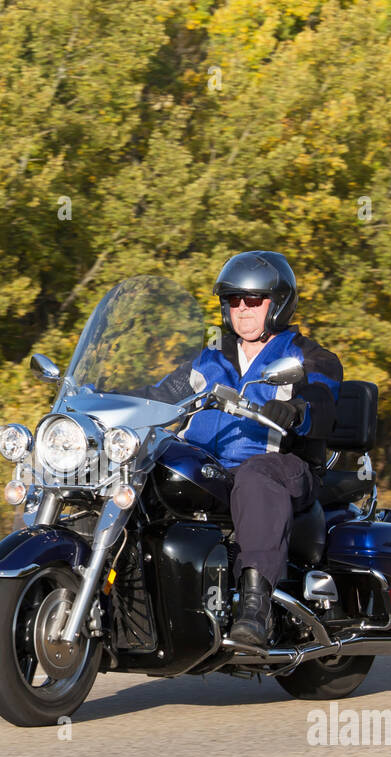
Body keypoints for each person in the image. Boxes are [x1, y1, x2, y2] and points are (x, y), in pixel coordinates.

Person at [129, 251, 343, 646]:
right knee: (144, 465)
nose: (242, 310)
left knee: (255, 475)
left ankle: (254, 609)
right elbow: (159, 396)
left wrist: (296, 410)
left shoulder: (309, 357)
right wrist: (108, 399)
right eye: (234, 300)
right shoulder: (209, 360)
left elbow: (323, 401)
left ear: (277, 304)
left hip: (283, 468)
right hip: (211, 470)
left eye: (253, 301)